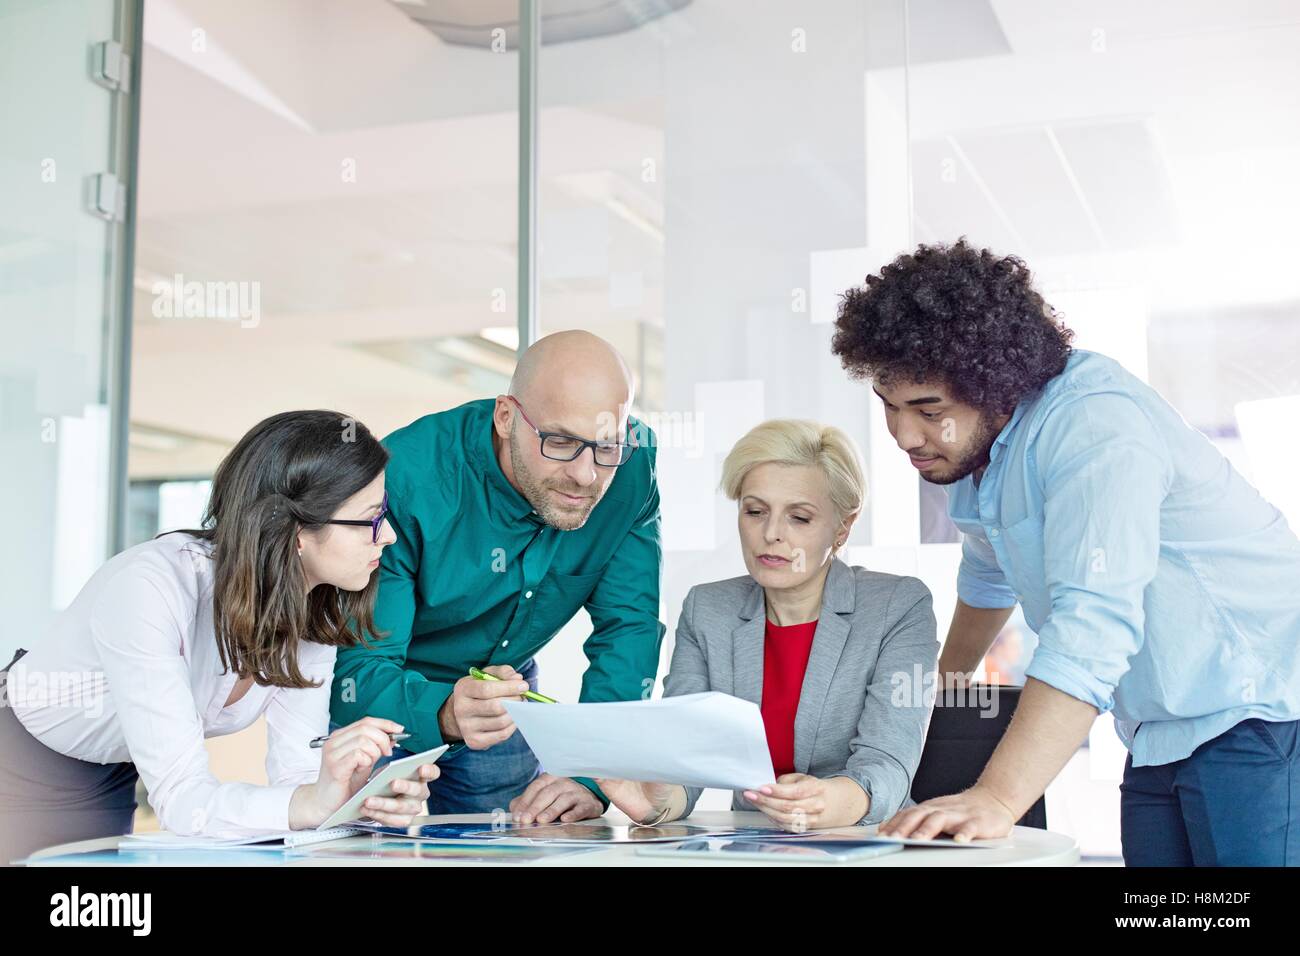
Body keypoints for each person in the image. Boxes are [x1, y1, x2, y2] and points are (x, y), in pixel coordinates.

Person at [832, 238, 1300, 865]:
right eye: (888, 407)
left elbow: (1093, 624)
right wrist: (938, 695)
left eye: (927, 409)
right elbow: (989, 571)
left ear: (995, 385)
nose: (903, 435)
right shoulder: (983, 454)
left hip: (1257, 713)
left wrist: (996, 798)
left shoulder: (1094, 425)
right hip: (1157, 733)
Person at [0, 410, 439, 865]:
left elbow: (297, 777)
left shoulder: (310, 609)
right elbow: (184, 802)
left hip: (113, 765)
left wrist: (351, 796)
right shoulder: (150, 586)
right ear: (295, 531)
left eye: (384, 513)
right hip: (21, 755)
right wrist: (310, 804)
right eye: (370, 519)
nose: (387, 536)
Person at [330, 330, 664, 825]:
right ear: (506, 418)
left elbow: (628, 628)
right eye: (562, 442)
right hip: (387, 705)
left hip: (507, 702)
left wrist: (594, 772)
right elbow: (358, 668)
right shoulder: (406, 479)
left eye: (606, 447)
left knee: (505, 853)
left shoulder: (633, 469)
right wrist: (442, 711)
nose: (586, 475)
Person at [597, 419, 938, 830]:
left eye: (800, 518)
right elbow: (686, 756)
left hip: (867, 840)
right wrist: (653, 802)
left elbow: (887, 763)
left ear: (843, 526)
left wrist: (829, 802)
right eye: (755, 511)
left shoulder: (899, 606)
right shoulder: (707, 608)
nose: (771, 534)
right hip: (755, 845)